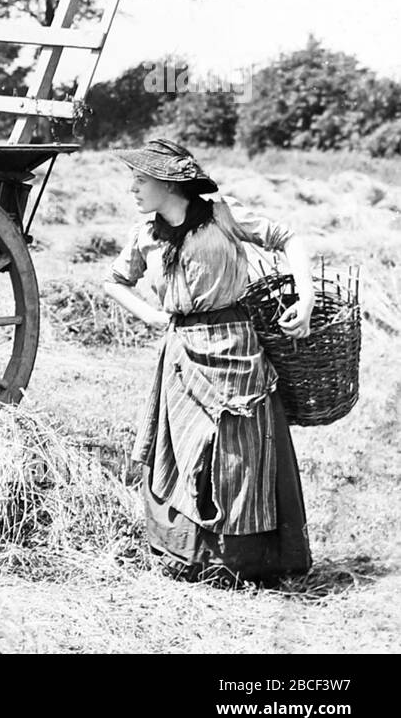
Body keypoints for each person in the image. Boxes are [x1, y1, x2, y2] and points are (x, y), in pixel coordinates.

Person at [102, 138, 314, 584]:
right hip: (183, 354)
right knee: (184, 451)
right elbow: (115, 281)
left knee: (241, 452)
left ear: (170, 183)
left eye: (140, 180)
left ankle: (246, 562)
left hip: (237, 347)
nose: (132, 189)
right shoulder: (145, 233)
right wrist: (154, 315)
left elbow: (288, 238)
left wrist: (307, 299)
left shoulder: (222, 214)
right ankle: (189, 557)